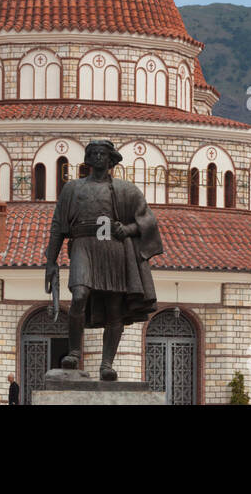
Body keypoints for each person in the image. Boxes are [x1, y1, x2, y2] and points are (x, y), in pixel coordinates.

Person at [44, 139, 163, 381]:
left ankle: (106, 364)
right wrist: (51, 261)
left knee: (114, 308)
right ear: (87, 159)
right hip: (83, 245)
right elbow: (58, 226)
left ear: (111, 160)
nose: (98, 157)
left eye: (102, 154)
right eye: (93, 153)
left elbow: (148, 221)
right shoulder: (72, 189)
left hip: (114, 248)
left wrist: (127, 230)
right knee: (79, 295)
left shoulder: (125, 190)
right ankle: (75, 352)